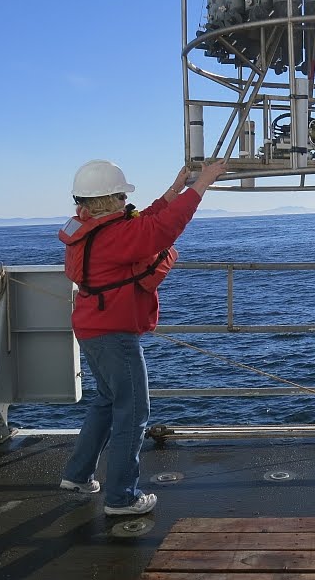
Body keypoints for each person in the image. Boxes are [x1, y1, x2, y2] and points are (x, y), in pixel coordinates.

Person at [58, 158, 226, 516]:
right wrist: (202, 185)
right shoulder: (116, 235)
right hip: (113, 335)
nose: (125, 202)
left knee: (106, 401)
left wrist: (176, 187)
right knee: (132, 413)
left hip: (91, 328)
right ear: (112, 198)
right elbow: (162, 228)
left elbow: (145, 220)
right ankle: (121, 498)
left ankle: (77, 475)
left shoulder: (93, 230)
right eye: (121, 196)